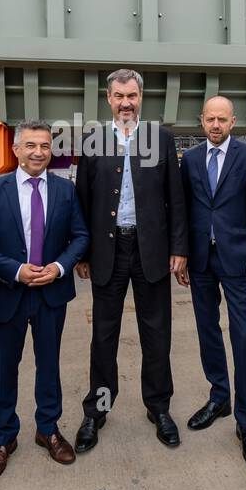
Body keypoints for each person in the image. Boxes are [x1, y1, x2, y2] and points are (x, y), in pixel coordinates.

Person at [74, 68, 188, 451]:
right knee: (103, 336)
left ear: (141, 97)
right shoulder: (92, 141)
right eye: (119, 96)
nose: (126, 103)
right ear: (108, 98)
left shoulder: (162, 139)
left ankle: (158, 407)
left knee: (156, 334)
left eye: (133, 96)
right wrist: (84, 252)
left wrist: (179, 248)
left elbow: (176, 199)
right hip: (108, 252)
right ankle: (97, 411)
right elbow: (83, 201)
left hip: (151, 251)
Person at [0, 121, 90, 482]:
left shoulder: (65, 190)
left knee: (49, 365)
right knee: (5, 369)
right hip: (7, 293)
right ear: (16, 150)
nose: (38, 152)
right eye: (30, 145)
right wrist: (14, 270)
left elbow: (81, 236)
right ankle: (4, 438)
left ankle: (48, 429)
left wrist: (58, 267)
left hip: (50, 295)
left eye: (44, 145)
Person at [176, 96, 246, 468]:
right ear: (202, 121)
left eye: (222, 120)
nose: (216, 125)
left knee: (243, 335)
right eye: (210, 120)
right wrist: (181, 253)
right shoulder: (193, 159)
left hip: (238, 260)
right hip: (200, 260)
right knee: (207, 331)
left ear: (233, 122)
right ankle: (219, 397)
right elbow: (183, 209)